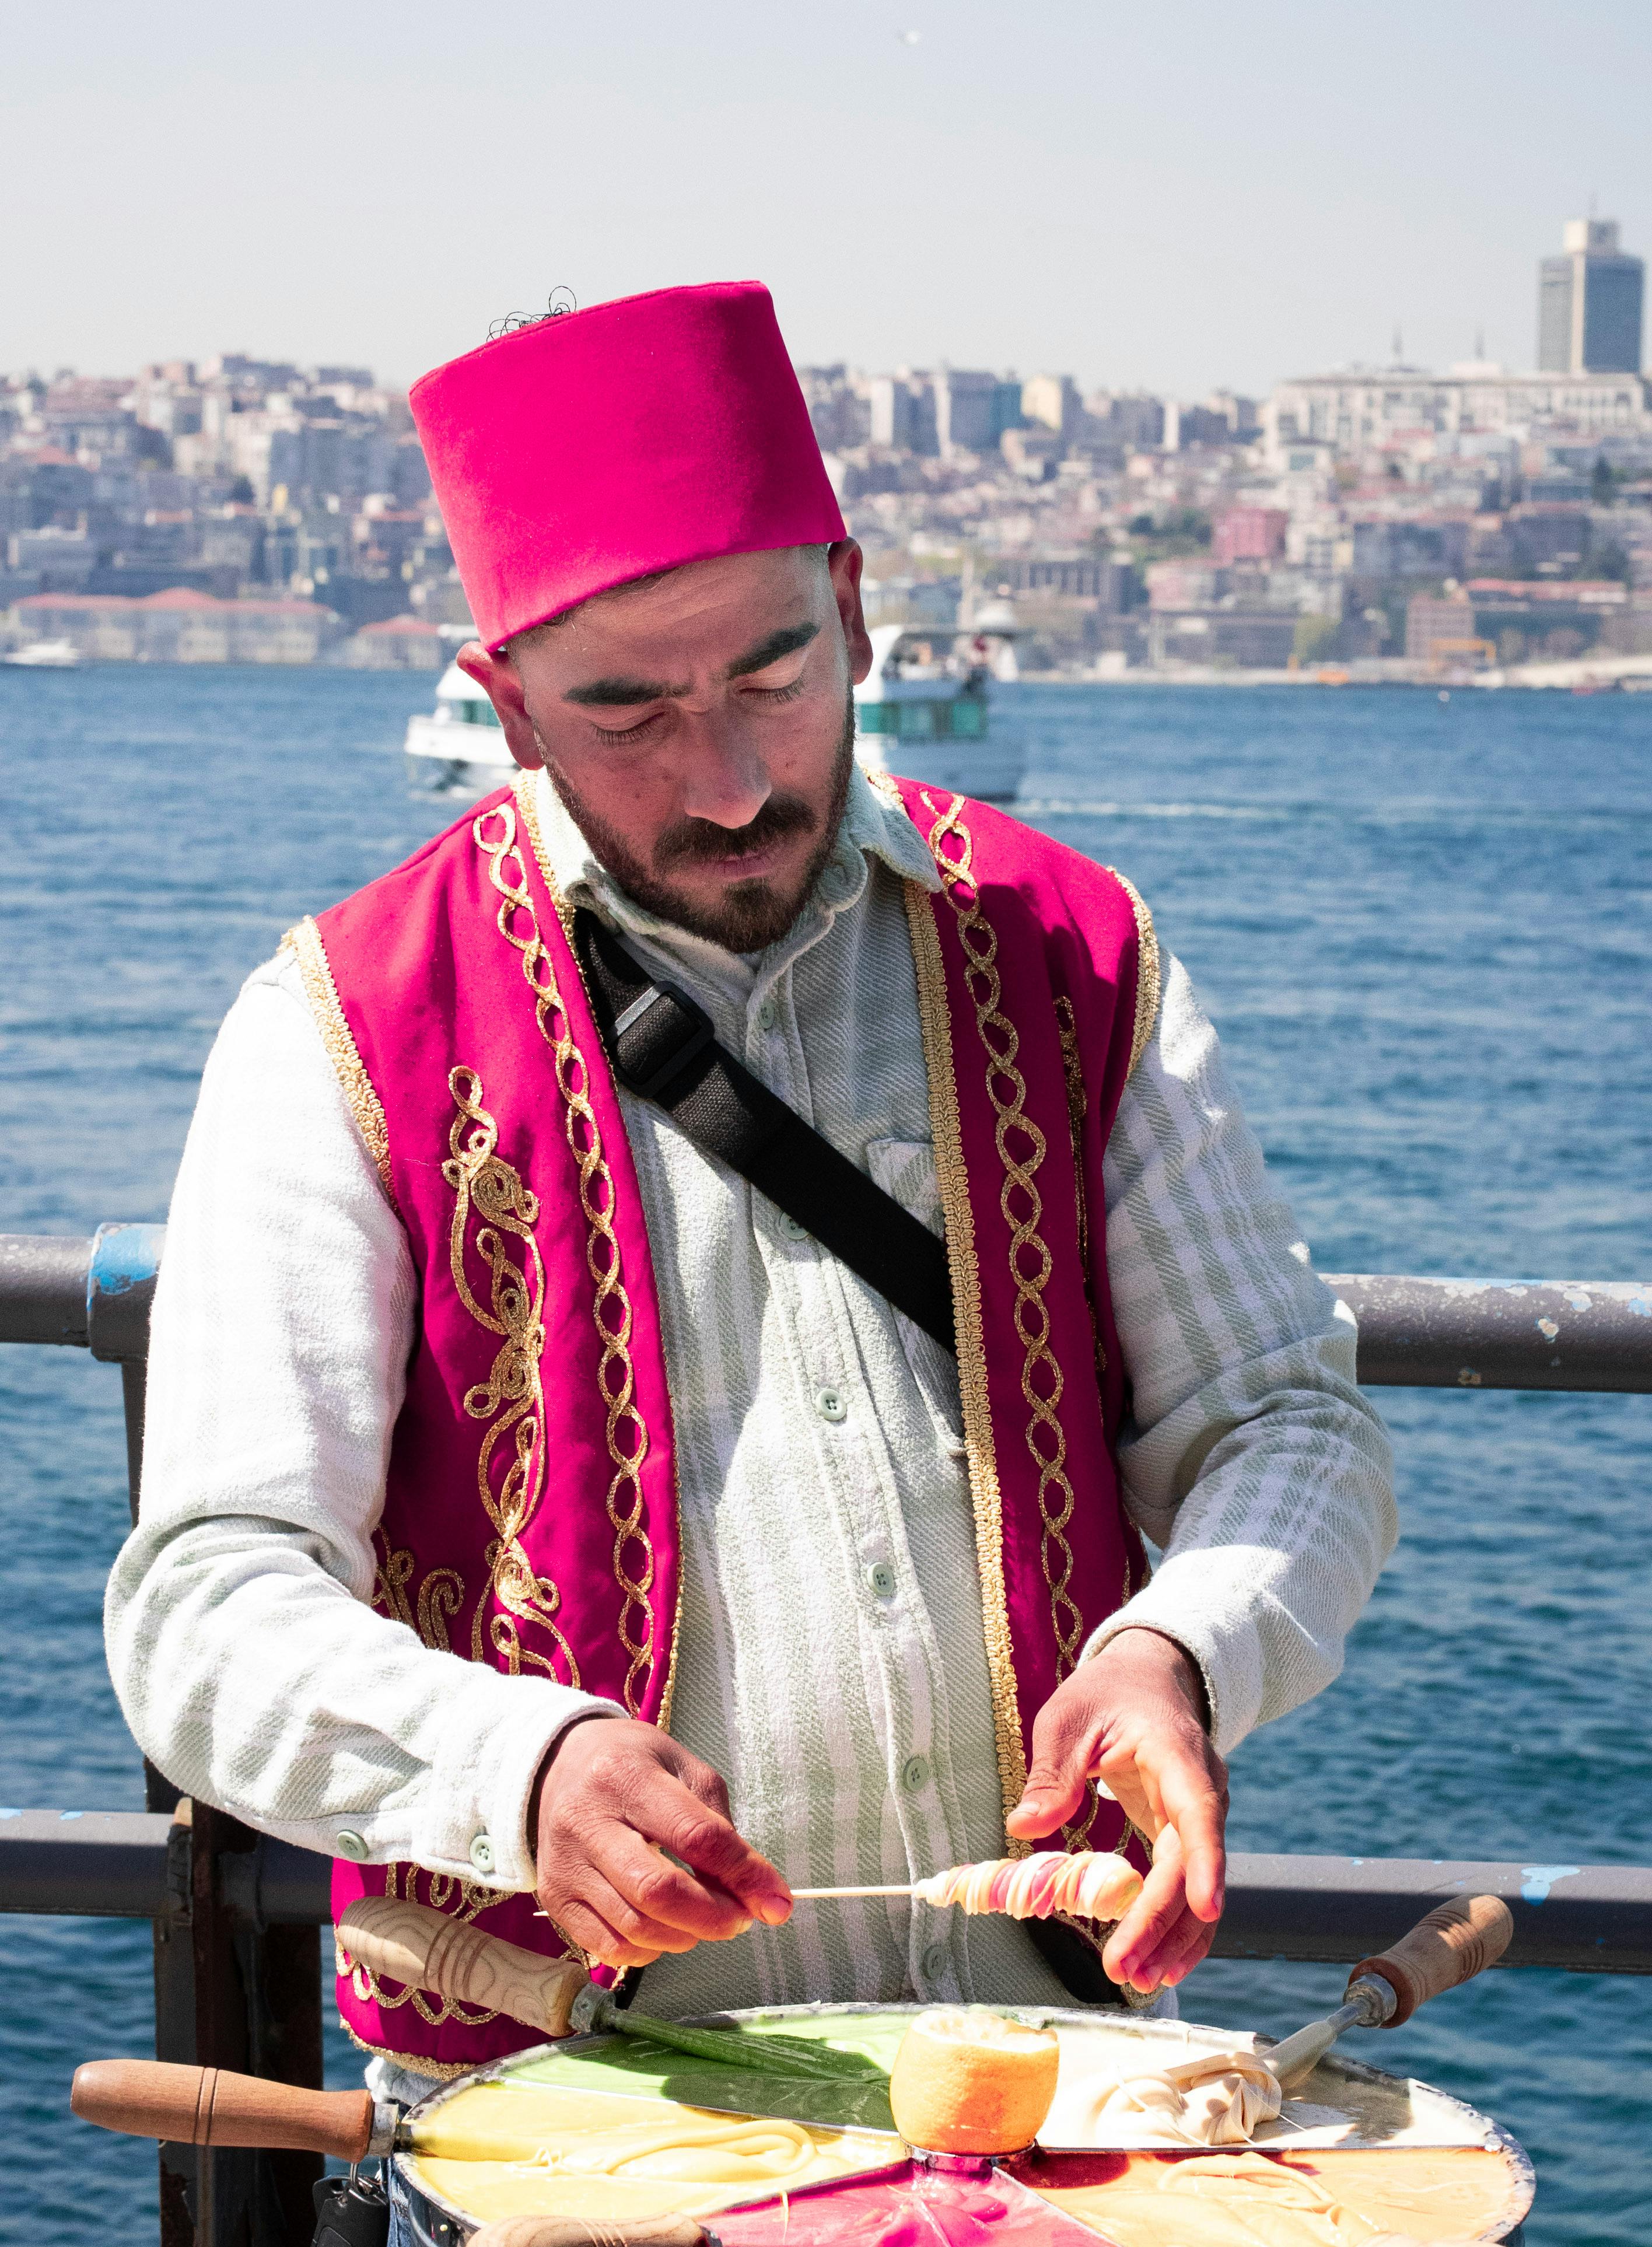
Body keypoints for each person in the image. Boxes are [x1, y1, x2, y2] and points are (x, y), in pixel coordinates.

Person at [106, 284, 1396, 2109]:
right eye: (625, 712)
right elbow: (205, 1608)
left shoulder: (1071, 948)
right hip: (571, 2125)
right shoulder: (342, 1025)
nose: (724, 784)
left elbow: (1288, 1423)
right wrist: (512, 1769)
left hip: (1055, 2077)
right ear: (510, 707)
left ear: (857, 608)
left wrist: (1187, 1645)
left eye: (776, 678)